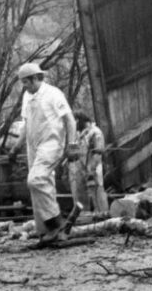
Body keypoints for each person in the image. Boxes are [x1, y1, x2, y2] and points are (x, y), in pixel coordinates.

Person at [10, 61, 79, 246]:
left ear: (34, 79)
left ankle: (56, 223)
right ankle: (45, 233)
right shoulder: (27, 96)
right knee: (39, 187)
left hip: (52, 144)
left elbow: (70, 121)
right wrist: (15, 147)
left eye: (25, 82)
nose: (23, 86)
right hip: (33, 146)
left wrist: (72, 145)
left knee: (36, 180)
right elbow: (25, 125)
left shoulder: (53, 94)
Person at [68, 110, 109, 215]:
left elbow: (98, 152)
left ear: (77, 120)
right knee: (80, 197)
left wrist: (91, 169)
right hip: (80, 171)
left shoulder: (95, 132)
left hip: (93, 170)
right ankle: (84, 219)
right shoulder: (79, 134)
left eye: (73, 123)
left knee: (97, 194)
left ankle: (103, 217)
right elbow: (73, 153)